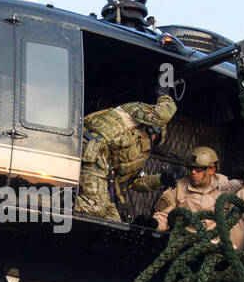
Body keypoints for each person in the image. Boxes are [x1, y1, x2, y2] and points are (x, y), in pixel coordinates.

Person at [151, 148, 244, 264]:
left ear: (212, 170)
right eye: (191, 168)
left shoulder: (224, 184)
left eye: (199, 169)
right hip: (199, 245)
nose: (193, 172)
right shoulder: (177, 188)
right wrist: (153, 223)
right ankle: (239, 256)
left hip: (229, 239)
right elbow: (163, 217)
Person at [75, 90, 177, 221]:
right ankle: (50, 202)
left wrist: (161, 179)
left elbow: (134, 181)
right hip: (92, 154)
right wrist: (164, 96)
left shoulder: (137, 151)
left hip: (104, 170)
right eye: (154, 135)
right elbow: (163, 115)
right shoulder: (129, 113)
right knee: (94, 207)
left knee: (113, 221)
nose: (151, 140)